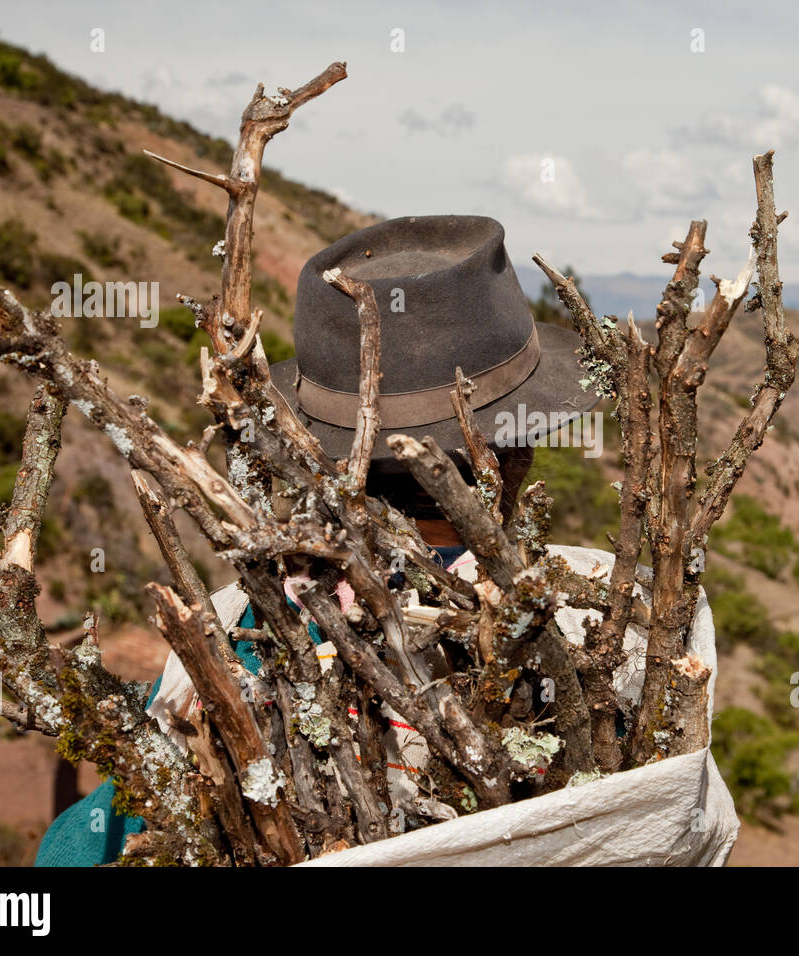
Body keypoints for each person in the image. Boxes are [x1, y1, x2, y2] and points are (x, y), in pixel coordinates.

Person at [34, 215, 595, 865]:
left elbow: (78, 850)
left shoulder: (235, 633)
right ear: (518, 447)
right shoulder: (594, 621)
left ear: (325, 454)